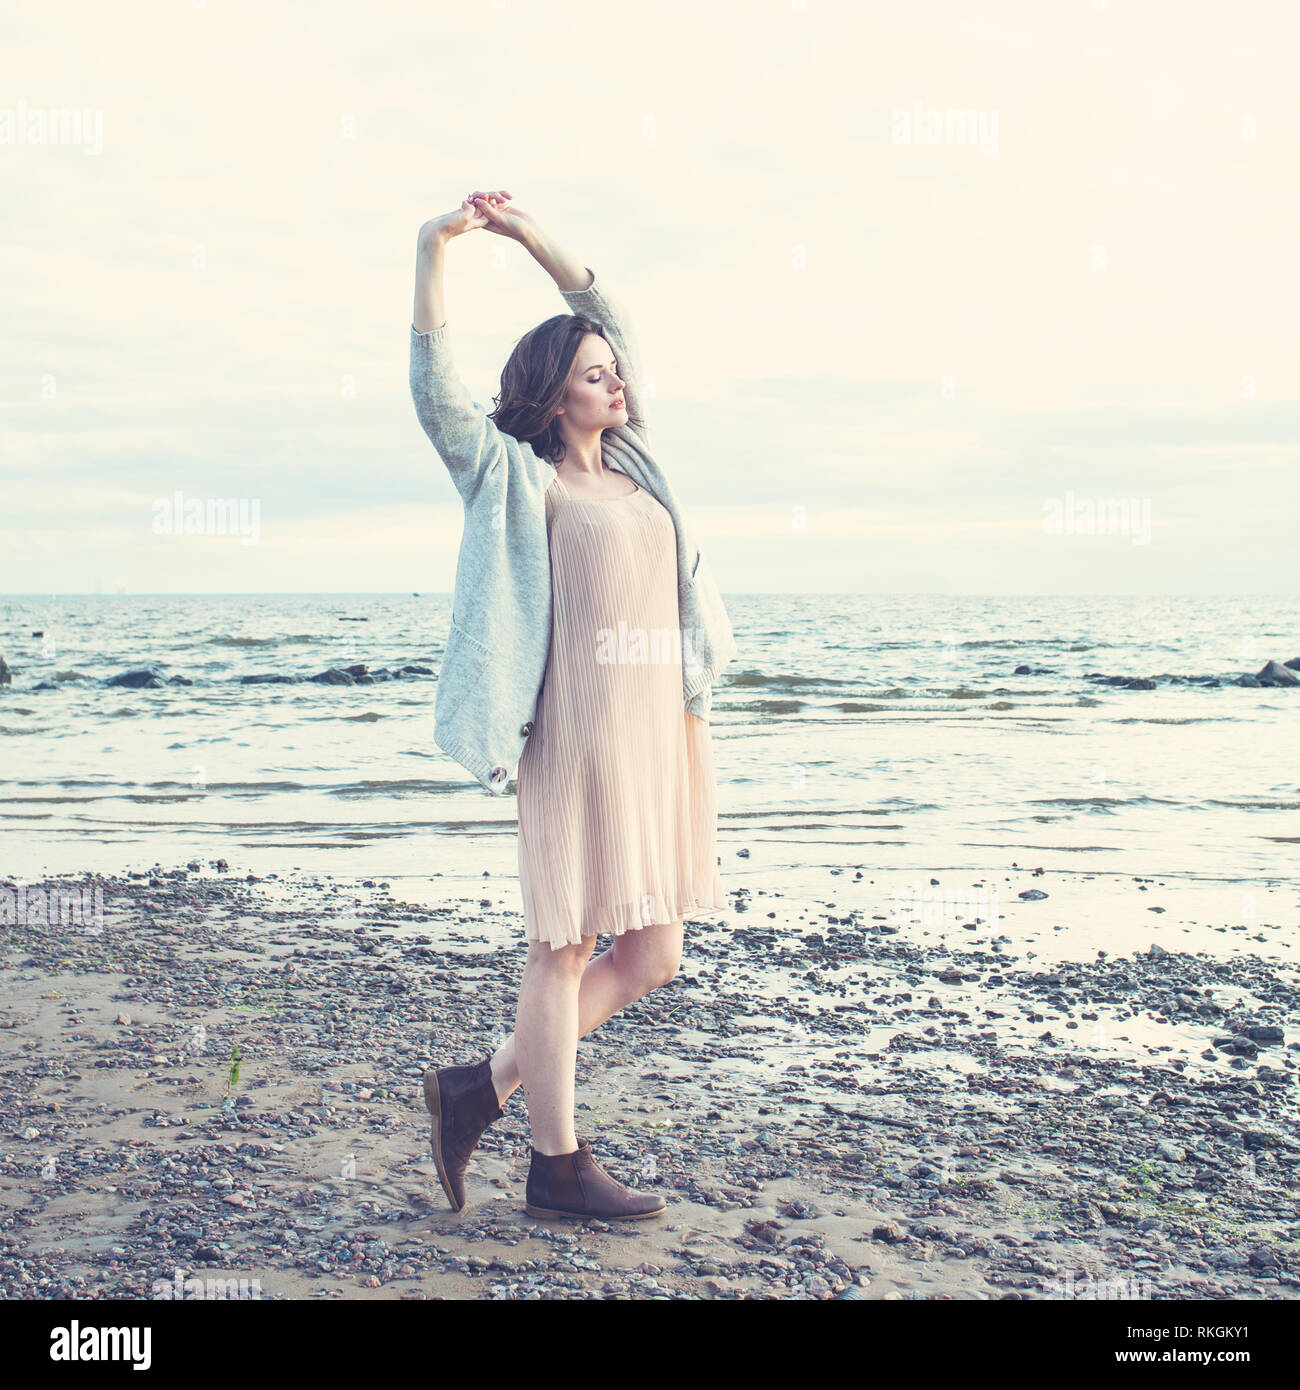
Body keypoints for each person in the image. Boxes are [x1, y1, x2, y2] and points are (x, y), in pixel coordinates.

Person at [411, 190, 735, 1220]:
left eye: (616, 370)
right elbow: (436, 396)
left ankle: (481, 1086)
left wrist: (532, 236)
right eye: (596, 374)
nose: (618, 380)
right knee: (560, 945)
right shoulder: (518, 478)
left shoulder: (637, 463)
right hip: (577, 736)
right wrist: (437, 252)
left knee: (654, 951)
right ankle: (556, 1165)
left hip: (662, 735)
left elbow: (611, 315)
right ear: (559, 398)